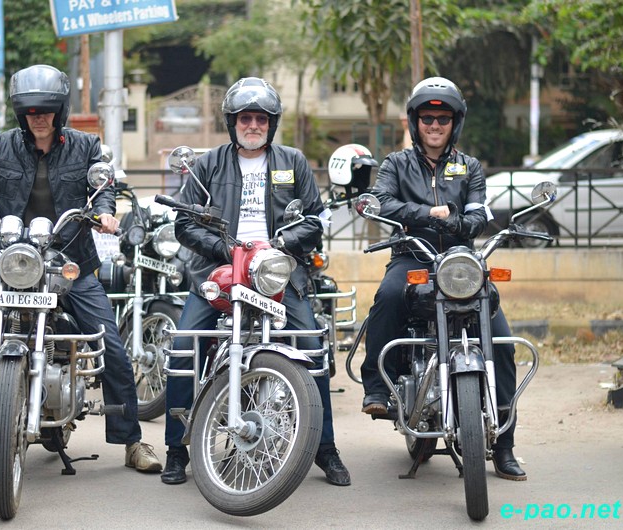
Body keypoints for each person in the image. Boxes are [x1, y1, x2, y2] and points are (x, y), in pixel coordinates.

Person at [0, 64, 161, 474]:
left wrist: (106, 214)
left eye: (46, 109)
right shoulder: (4, 144)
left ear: (60, 110)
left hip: (73, 262)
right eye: (30, 111)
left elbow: (102, 188)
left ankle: (133, 442)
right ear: (21, 114)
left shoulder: (85, 144)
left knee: (109, 344)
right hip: (18, 261)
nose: (38, 116)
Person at [161, 77, 350, 487]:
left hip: (278, 273)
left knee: (312, 348)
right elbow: (184, 224)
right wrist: (224, 250)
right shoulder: (208, 163)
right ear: (232, 123)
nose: (253, 125)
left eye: (260, 119)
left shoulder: (293, 162)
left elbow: (315, 220)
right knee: (183, 349)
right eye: (245, 118)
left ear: (272, 123)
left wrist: (279, 246)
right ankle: (177, 450)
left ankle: (325, 448)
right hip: (218, 271)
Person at [359, 76, 527, 481]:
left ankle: (504, 445)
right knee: (388, 295)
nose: (435, 125)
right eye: (428, 117)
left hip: (460, 262)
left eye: (443, 118)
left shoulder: (469, 167)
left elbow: (477, 213)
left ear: (456, 122)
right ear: (416, 121)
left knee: (501, 342)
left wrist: (458, 221)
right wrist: (428, 214)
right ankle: (377, 390)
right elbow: (383, 202)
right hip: (412, 255)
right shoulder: (396, 164)